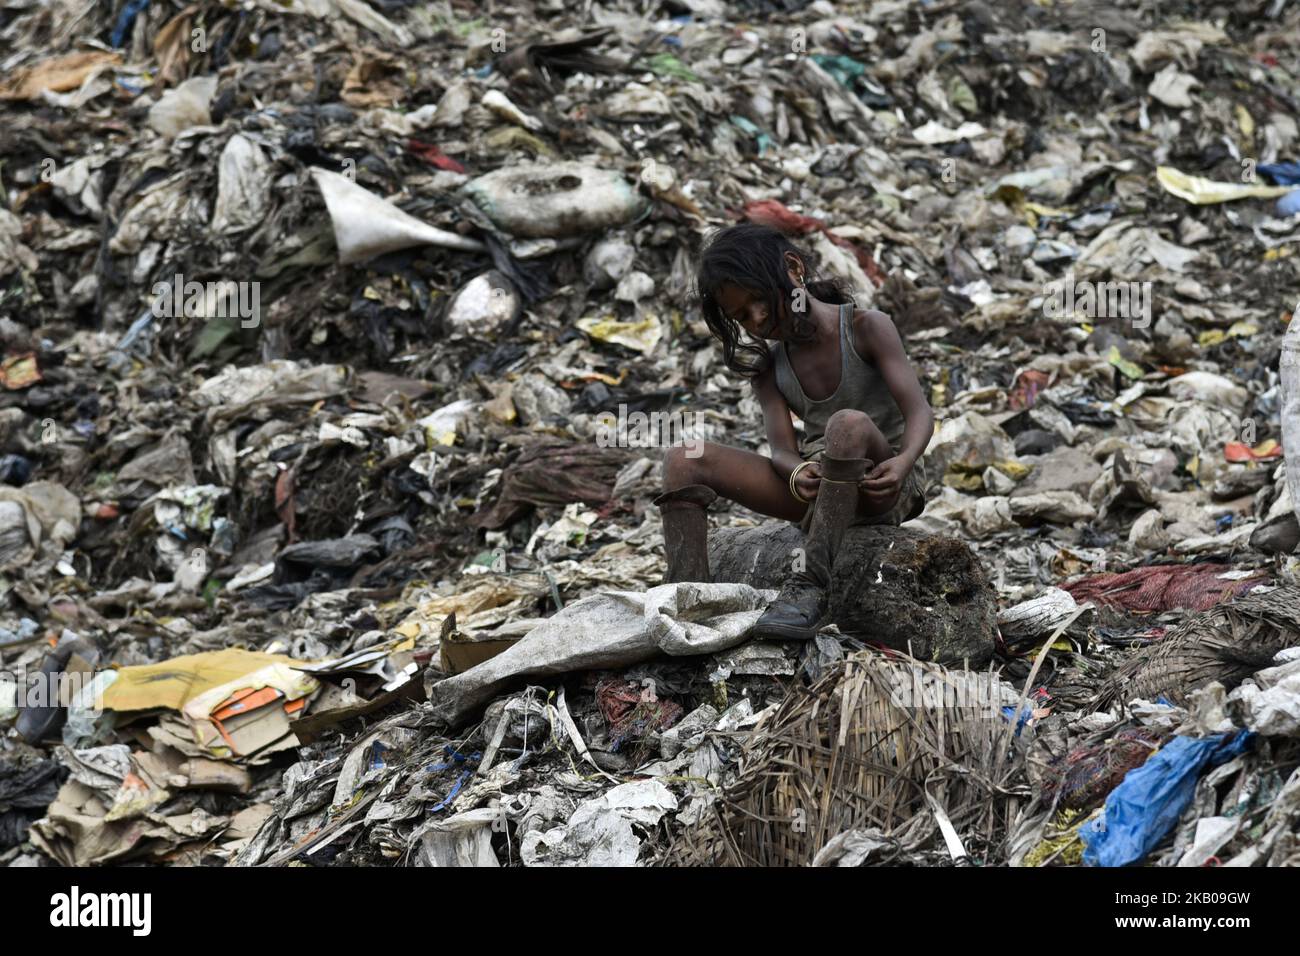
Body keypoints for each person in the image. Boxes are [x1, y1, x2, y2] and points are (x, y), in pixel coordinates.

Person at [655, 223, 935, 639]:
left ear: (793, 269)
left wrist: (903, 462)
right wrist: (794, 472)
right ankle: (689, 601)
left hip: (882, 479)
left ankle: (809, 587)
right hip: (819, 485)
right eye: (741, 316)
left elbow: (920, 413)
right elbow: (781, 449)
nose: (757, 319)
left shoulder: (866, 327)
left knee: (848, 425)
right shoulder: (770, 366)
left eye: (759, 300)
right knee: (683, 457)